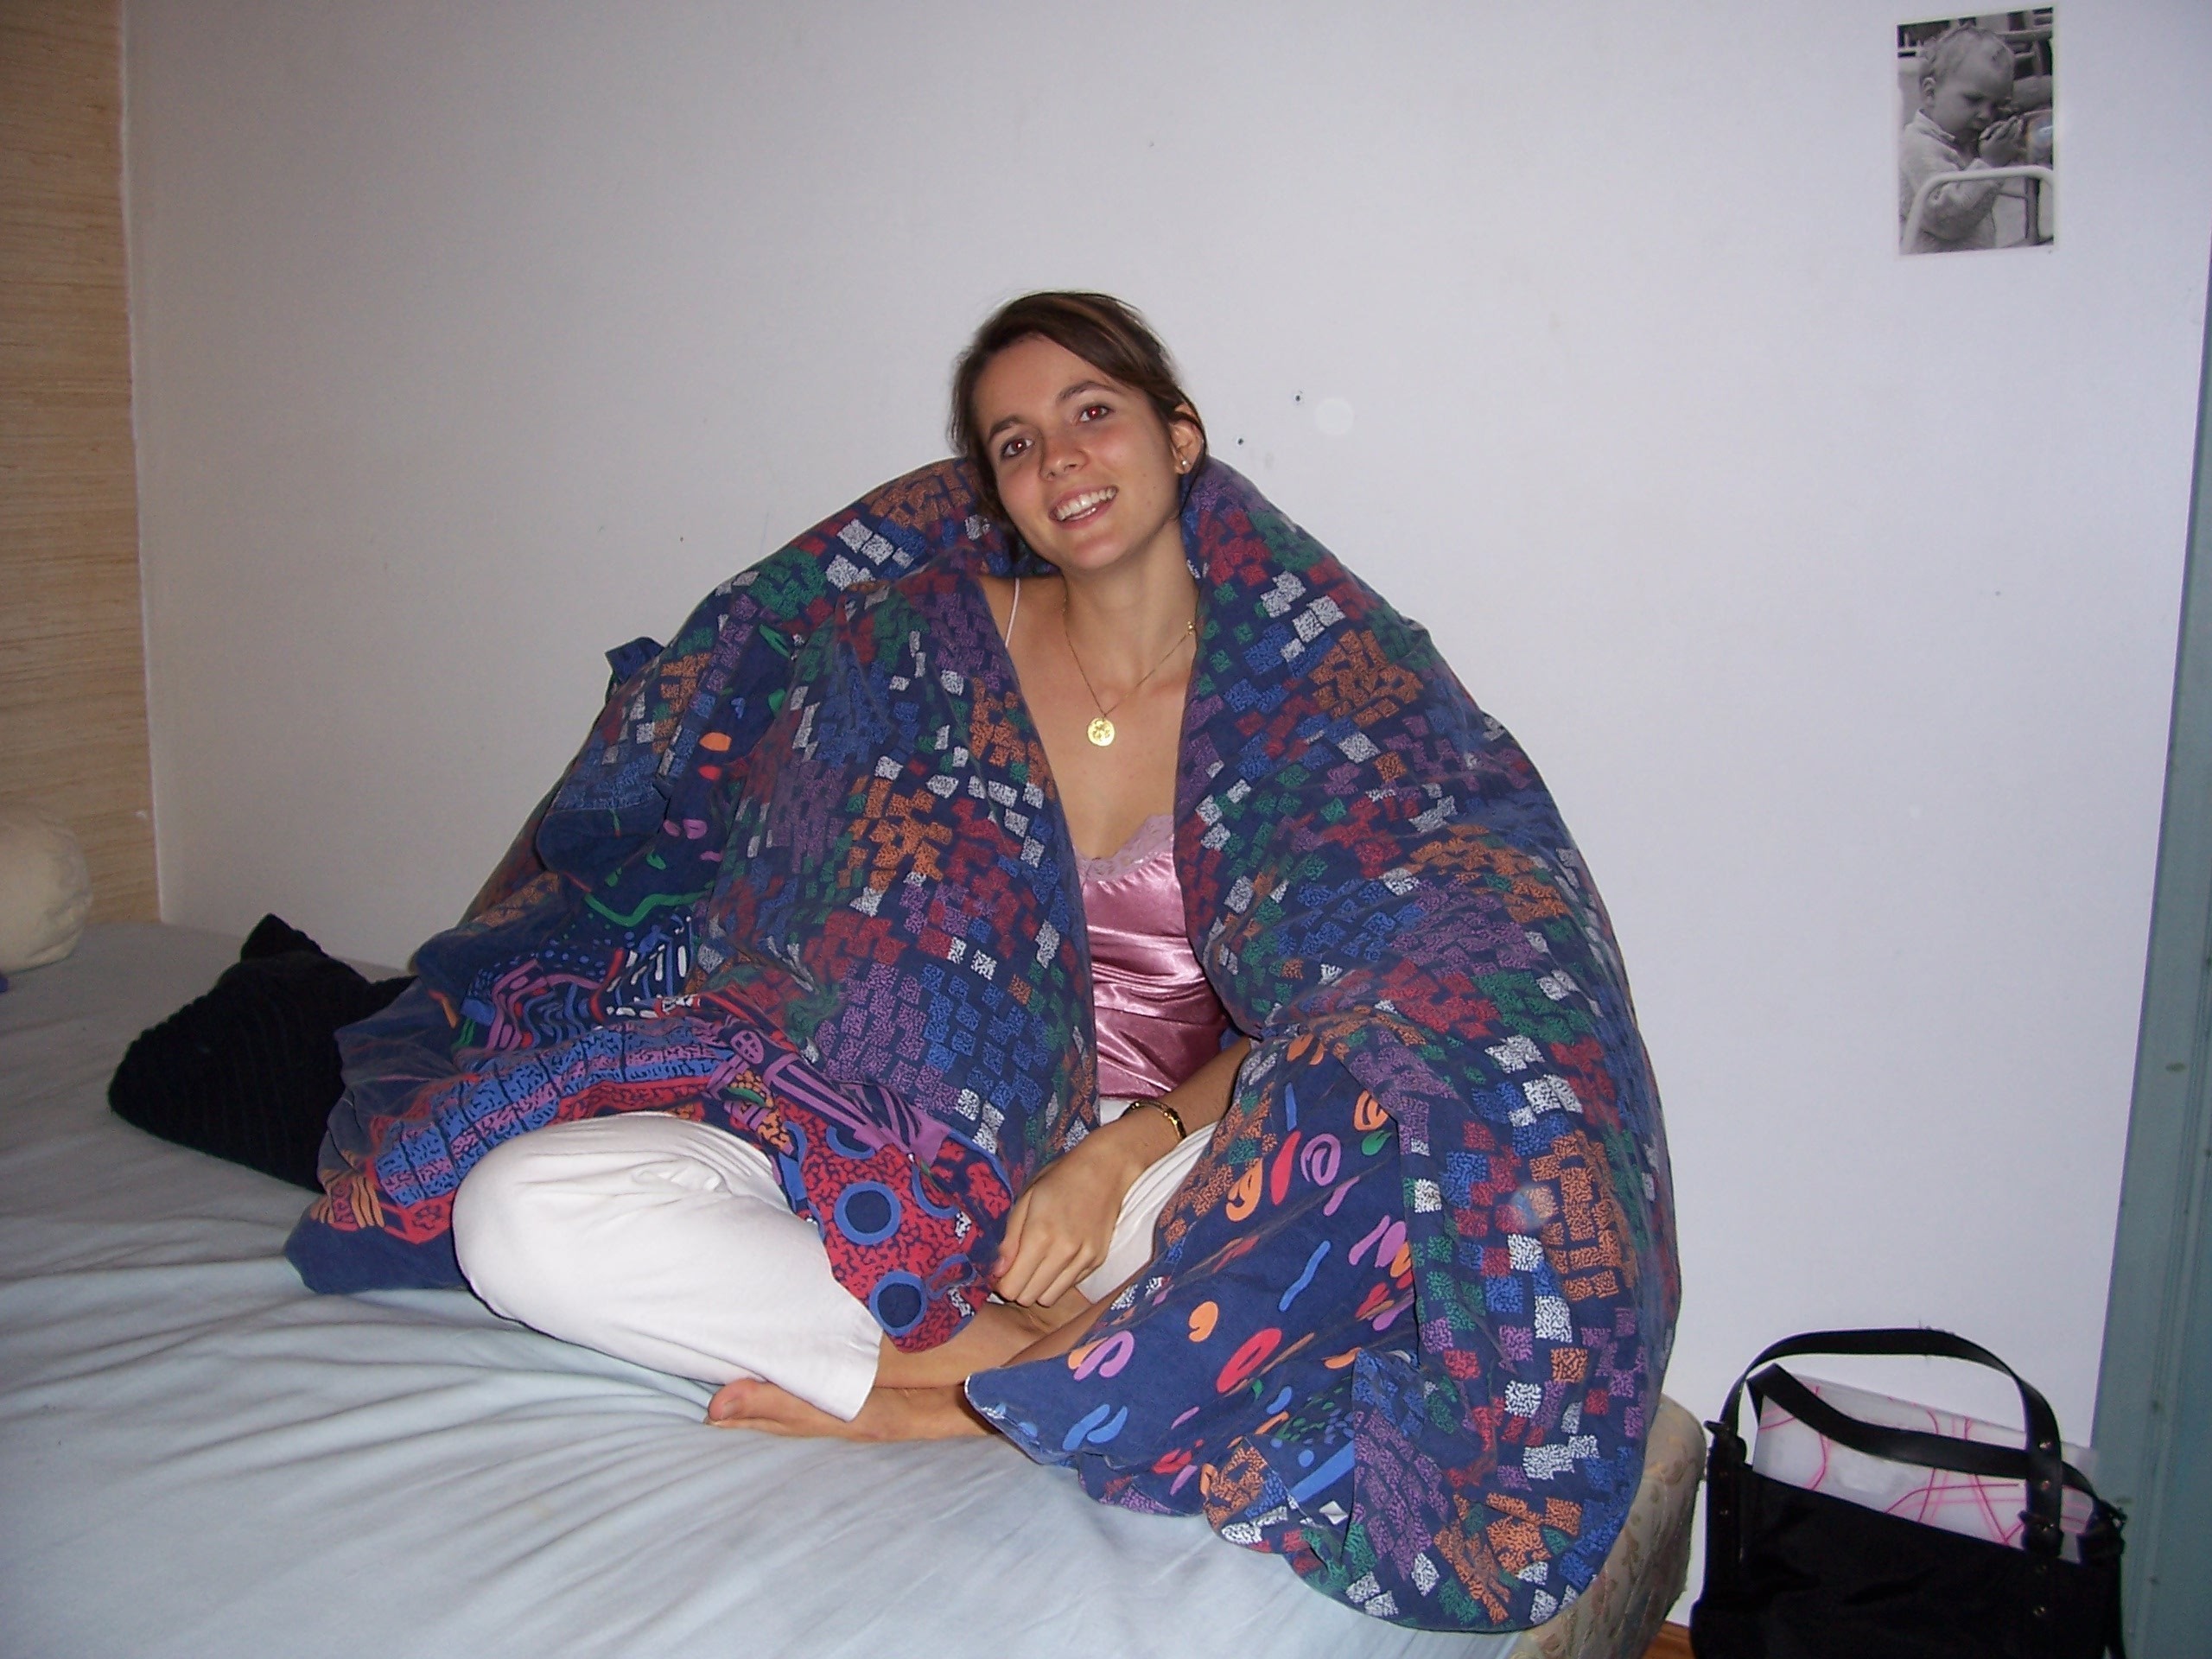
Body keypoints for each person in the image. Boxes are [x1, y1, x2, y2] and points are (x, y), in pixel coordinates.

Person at [448, 293, 1251, 1439]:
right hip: (883, 1120)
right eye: (1014, 443)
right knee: (517, 1215)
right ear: (997, 493)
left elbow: (1331, 1012)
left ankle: (929, 1401)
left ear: (1178, 437)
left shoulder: (1278, 702)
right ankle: (1015, 1372)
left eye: (1091, 412)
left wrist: (1121, 1155)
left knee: (1382, 1182)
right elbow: (788, 902)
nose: (1058, 459)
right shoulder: (912, 647)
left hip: (1138, 1169)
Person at [1899, 24, 2025, 254]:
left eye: (1996, 106)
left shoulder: (1962, 141)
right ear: (1930, 93)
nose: (1986, 115)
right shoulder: (1918, 146)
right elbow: (1947, 219)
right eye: (1973, 100)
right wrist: (1990, 166)